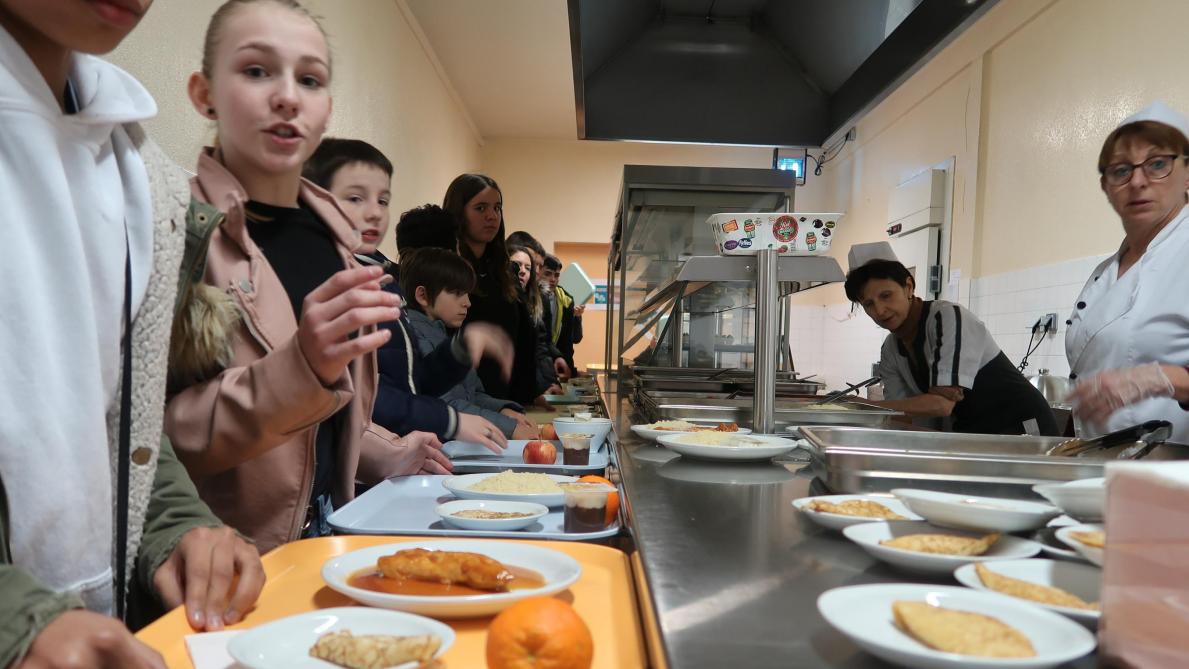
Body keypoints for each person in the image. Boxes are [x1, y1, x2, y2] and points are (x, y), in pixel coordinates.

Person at [0, 0, 263, 664]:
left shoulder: (140, 171)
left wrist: (176, 528)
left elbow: (120, 414)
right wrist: (15, 622)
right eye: (256, 70)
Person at [165, 0, 449, 553]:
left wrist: (385, 453)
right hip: (222, 559)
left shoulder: (340, 245)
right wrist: (301, 367)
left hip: (324, 538)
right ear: (204, 94)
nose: (288, 97)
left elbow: (316, 428)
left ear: (326, 110)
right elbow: (153, 439)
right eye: (256, 70)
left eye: (310, 80)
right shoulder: (178, 232)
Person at [303, 138, 510, 454]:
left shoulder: (384, 277)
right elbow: (362, 394)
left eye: (383, 200)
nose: (374, 212)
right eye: (356, 198)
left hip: (388, 454)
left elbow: (412, 382)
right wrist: (449, 420)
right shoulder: (325, 279)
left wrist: (460, 350)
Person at [1065, 101, 1189, 441]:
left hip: (1175, 464)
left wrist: (1158, 379)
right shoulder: (1104, 273)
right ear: (1106, 187)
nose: (1137, 181)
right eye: (1121, 170)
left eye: (1158, 164)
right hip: (1105, 459)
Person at [845, 243, 1058, 435]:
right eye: (869, 304)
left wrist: (861, 407)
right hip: (972, 431)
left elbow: (941, 404)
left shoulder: (947, 317)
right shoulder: (891, 349)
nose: (880, 311)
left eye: (886, 296)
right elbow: (901, 414)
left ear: (908, 287)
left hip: (1022, 427)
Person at [401, 248, 541, 439]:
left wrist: (502, 411)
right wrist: (508, 428)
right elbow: (444, 406)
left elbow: (473, 394)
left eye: (467, 293)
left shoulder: (444, 335)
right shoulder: (415, 337)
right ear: (423, 295)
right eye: (457, 293)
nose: (467, 302)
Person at [444, 173, 542, 405]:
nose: (492, 216)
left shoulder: (505, 271)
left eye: (497, 208)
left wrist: (531, 394)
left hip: (505, 399)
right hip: (461, 401)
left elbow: (524, 338)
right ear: (459, 212)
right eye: (480, 208)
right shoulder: (445, 269)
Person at [542, 254, 581, 376]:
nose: (553, 279)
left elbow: (572, 340)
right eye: (548, 274)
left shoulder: (566, 300)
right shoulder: (532, 297)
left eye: (557, 275)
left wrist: (570, 369)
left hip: (559, 362)